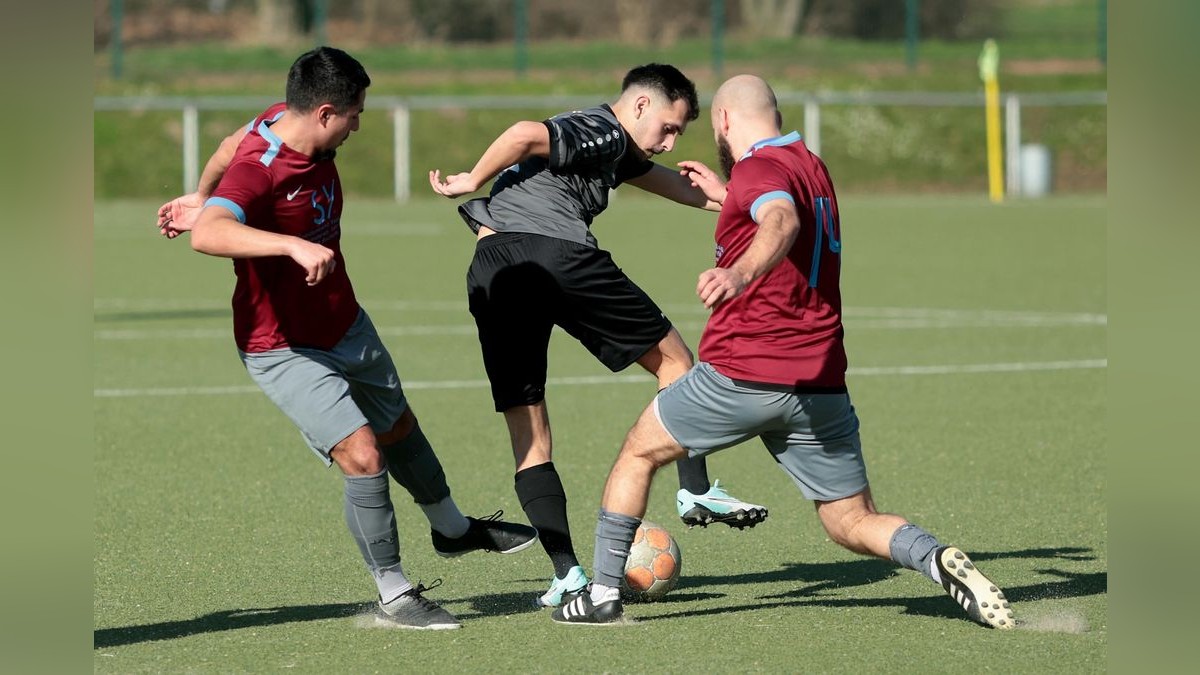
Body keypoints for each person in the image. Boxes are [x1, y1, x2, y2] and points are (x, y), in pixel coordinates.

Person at [551, 75, 1015, 629]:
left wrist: (738, 272)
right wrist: (728, 197)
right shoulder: (809, 166)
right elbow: (786, 209)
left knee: (638, 454)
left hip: (743, 375)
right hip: (820, 386)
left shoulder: (759, 171)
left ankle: (602, 594)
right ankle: (935, 559)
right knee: (850, 521)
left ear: (723, 121)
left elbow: (781, 219)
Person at [162, 46, 539, 631]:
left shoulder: (275, 120)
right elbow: (207, 235)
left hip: (344, 321)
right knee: (363, 456)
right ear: (325, 112)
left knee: (398, 429)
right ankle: (394, 594)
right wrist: (273, 236)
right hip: (281, 345)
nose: (358, 126)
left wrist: (199, 192)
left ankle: (453, 529)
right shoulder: (262, 167)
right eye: (355, 115)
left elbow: (223, 146)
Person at [428, 64, 769, 608]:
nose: (671, 141)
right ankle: (696, 488)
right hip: (555, 255)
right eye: (669, 126)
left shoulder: (614, 151)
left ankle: (566, 576)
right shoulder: (602, 128)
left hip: (493, 268)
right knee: (675, 362)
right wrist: (473, 178)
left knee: (529, 431)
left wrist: (740, 203)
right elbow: (522, 134)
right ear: (637, 107)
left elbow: (672, 187)